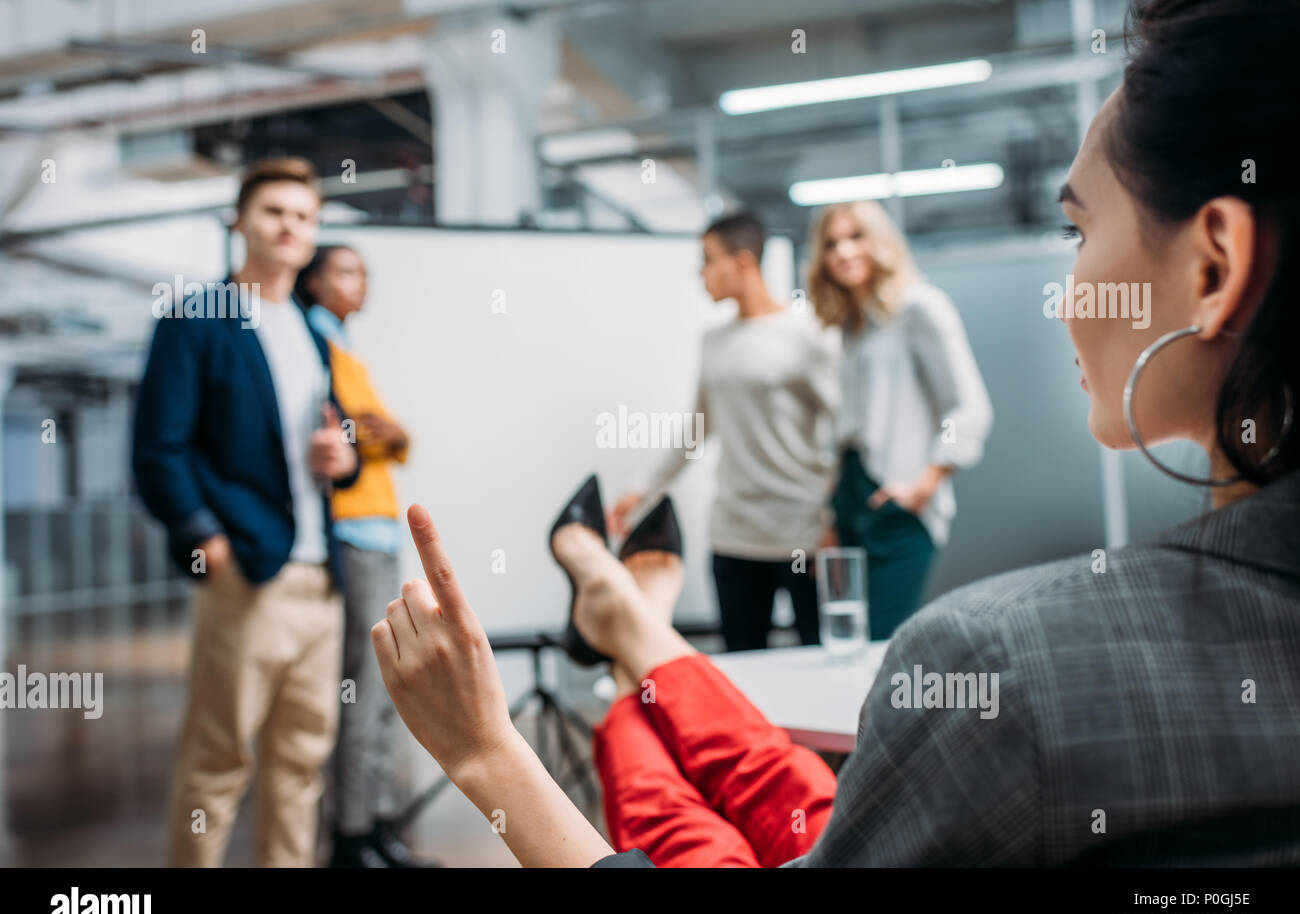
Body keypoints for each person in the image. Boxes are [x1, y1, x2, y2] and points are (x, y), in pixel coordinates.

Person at [366, 0, 1300, 867]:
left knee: (701, 786)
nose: (1066, 295)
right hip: (777, 525)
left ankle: (628, 652)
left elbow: (921, 418)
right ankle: (639, 639)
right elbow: (701, 429)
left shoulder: (997, 665)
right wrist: (650, 494)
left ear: (1214, 264)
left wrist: (488, 753)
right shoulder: (800, 337)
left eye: (1074, 231)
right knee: (799, 789)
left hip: (847, 516)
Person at [133, 158, 360, 867]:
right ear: (239, 221)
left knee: (301, 762)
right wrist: (209, 539)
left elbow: (339, 433)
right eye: (273, 212)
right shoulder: (198, 318)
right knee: (217, 759)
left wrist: (341, 456)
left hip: (321, 575)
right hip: (246, 573)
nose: (290, 227)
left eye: (303, 215)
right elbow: (157, 448)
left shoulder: (314, 330)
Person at [610, 211, 839, 652]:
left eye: (708, 259)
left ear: (744, 262)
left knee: (819, 659)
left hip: (803, 533)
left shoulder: (808, 333)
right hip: (734, 535)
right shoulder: (713, 341)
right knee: (744, 665)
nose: (701, 273)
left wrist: (833, 519)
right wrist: (642, 490)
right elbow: (697, 428)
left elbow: (841, 431)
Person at [293, 245, 427, 868]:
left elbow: (391, 434)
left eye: (365, 272)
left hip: (375, 531)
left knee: (376, 694)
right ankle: (352, 839)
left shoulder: (343, 346)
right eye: (346, 271)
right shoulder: (310, 345)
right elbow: (349, 429)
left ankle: (370, 828)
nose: (361, 283)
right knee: (361, 691)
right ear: (314, 281)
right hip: (352, 532)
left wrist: (387, 432)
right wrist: (380, 432)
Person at [809, 201, 993, 641]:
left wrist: (924, 483)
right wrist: (830, 513)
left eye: (856, 237)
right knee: (844, 640)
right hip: (849, 499)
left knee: (881, 643)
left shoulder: (919, 308)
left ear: (880, 242)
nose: (843, 252)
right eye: (831, 243)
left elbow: (969, 407)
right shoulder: (848, 329)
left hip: (896, 497)